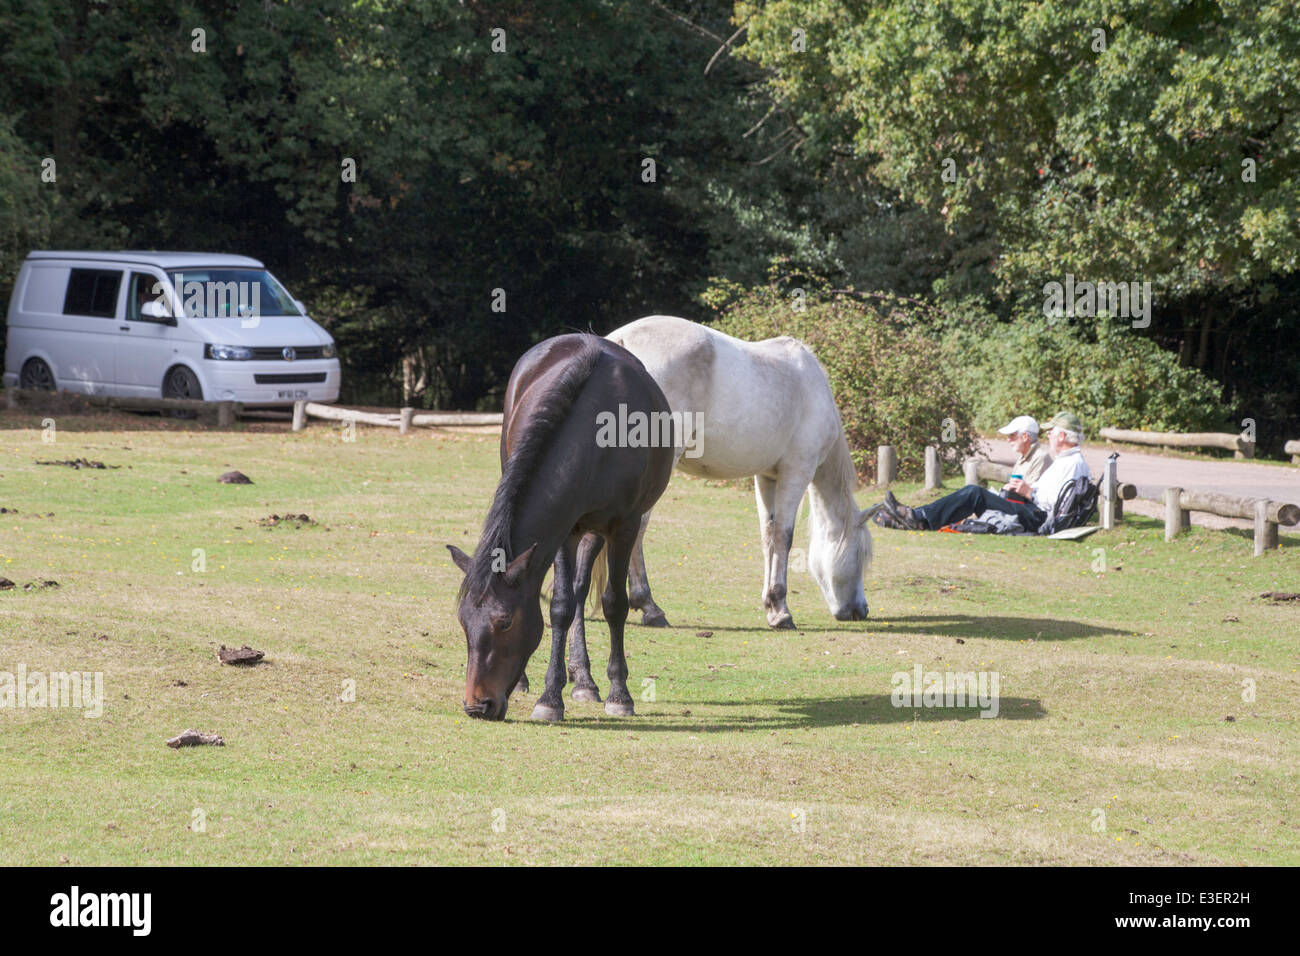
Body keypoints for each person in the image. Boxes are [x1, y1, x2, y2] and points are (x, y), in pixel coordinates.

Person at [878, 412, 1090, 533]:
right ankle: (917, 517)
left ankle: (918, 517)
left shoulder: (1071, 464)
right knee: (975, 494)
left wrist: (1029, 492)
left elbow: (1058, 506)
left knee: (974, 493)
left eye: (1051, 432)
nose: (1049, 435)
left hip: (1038, 517)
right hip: (1034, 511)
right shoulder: (1068, 462)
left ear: (1062, 436)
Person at [999, 414, 1052, 486]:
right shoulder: (1023, 457)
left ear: (1025, 437)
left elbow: (1030, 492)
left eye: (1012, 435)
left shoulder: (1040, 457)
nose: (1008, 439)